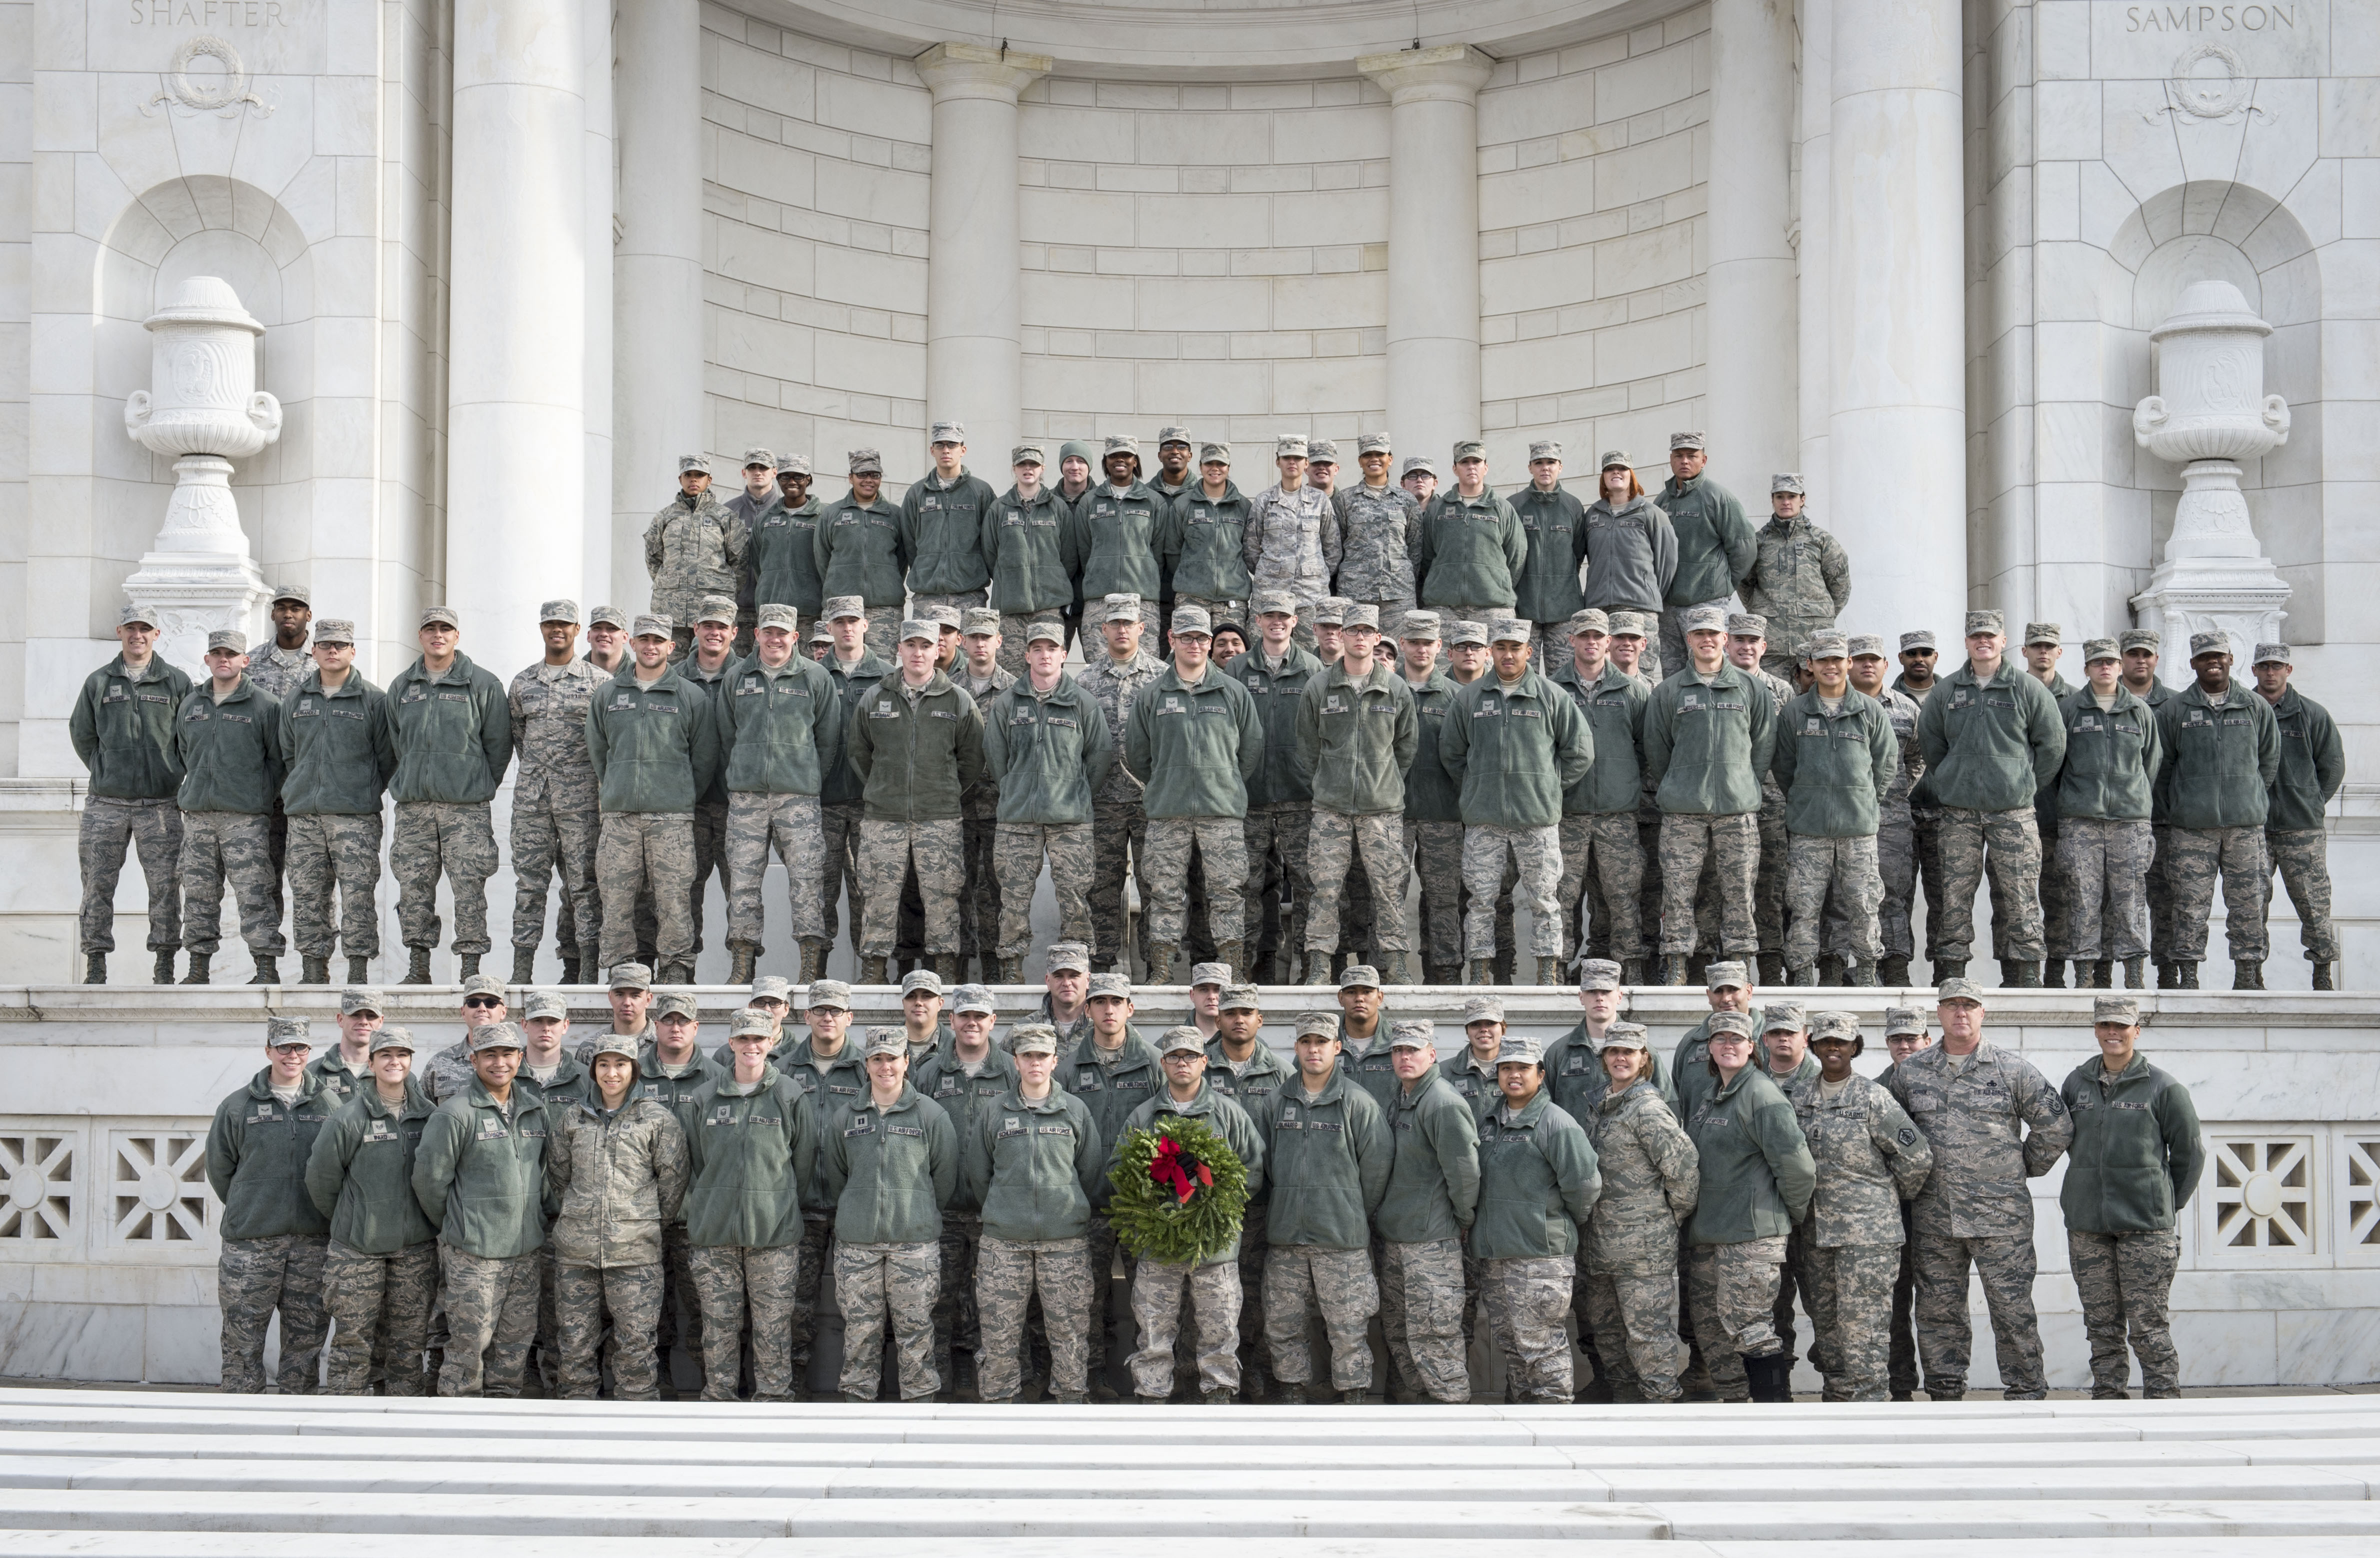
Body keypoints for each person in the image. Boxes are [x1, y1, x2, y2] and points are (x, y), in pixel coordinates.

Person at [1886, 978, 2071, 1400]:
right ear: (1939, 1014)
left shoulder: (2012, 1069)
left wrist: (2018, 1168)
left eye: (1969, 1005)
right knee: (1937, 1312)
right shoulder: (1912, 1073)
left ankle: (2026, 1391)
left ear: (1983, 1013)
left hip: (2000, 1217)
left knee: (2012, 1310)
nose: (1960, 1013)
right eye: (1952, 1006)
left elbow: (2056, 1125)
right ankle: (1945, 1392)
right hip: (1935, 1218)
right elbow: (1895, 1135)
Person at [2060, 994, 2206, 1400]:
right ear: (2096, 1030)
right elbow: (2066, 1141)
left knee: (2148, 1323)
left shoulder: (2163, 1087)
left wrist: (2163, 1201)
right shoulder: (2077, 1083)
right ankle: (2108, 1397)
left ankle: (2163, 1398)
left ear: (2136, 1032)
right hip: (2089, 1227)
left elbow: (2190, 1154)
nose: (2113, 1034)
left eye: (2121, 1027)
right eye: (2105, 1026)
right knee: (2101, 1323)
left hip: (2146, 1230)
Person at [1111, 1026, 1268, 1404]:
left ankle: (1219, 1394)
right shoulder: (1144, 1115)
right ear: (1163, 1063)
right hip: (1158, 1245)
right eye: (1175, 1057)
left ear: (1205, 1062)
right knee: (1153, 1331)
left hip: (1214, 1247)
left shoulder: (1228, 1115)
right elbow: (1120, 1170)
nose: (1183, 1063)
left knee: (1219, 1328)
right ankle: (1152, 1395)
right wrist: (1156, 1202)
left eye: (1191, 1057)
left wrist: (1208, 1206)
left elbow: (1253, 1170)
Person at [1914, 610, 2066, 985]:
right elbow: (1932, 746)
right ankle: (1950, 975)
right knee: (1954, 898)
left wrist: (2024, 785)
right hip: (1959, 815)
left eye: (1990, 636)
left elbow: (2053, 744)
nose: (1983, 642)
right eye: (1976, 636)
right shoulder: (1946, 691)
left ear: (2003, 642)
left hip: (2013, 813)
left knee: (2021, 897)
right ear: (1967, 643)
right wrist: (1953, 780)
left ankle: (2025, 975)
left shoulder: (2027, 689)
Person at [1441, 617, 1595, 986]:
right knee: (1481, 900)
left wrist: (1548, 789)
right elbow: (1452, 754)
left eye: (1515, 648)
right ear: (1490, 652)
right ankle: (1479, 971)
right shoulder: (1470, 697)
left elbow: (1580, 752)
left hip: (1537, 819)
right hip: (1484, 819)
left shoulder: (1551, 695)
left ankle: (1548, 972)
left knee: (1545, 899)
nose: (1508, 655)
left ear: (1529, 651)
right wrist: (1479, 789)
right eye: (1501, 648)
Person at [1791, 1011, 1932, 1402]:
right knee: (1827, 1323)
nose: (1833, 1048)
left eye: (1841, 1042)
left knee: (1864, 1326)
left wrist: (1884, 1201)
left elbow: (1917, 1157)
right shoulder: (1800, 1099)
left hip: (1868, 1237)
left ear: (1855, 1047)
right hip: (1816, 1233)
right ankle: (1838, 1398)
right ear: (1814, 1046)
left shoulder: (1872, 1096)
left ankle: (1871, 1403)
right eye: (1825, 1041)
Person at [680, 1009, 818, 1402]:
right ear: (732, 1043)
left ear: (771, 1043)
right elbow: (695, 1161)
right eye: (744, 1039)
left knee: (773, 1326)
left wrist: (775, 1204)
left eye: (759, 1039)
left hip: (773, 1235)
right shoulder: (705, 1097)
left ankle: (773, 1400)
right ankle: (720, 1398)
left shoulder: (789, 1095)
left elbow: (802, 1163)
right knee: (719, 1326)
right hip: (715, 1235)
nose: (752, 1046)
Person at [962, 1022, 1104, 1404]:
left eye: (1042, 1056)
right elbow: (980, 1174)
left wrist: (1067, 1209)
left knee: (1070, 1331)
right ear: (1016, 1062)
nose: (1035, 1063)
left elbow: (1089, 1173)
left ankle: (1071, 1401)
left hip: (1065, 1243)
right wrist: (1005, 1209)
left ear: (1055, 1061)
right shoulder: (996, 1111)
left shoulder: (1075, 1110)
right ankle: (998, 1403)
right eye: (1027, 1056)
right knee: (999, 1332)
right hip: (1004, 1244)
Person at [545, 1032, 691, 1401]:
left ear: (635, 1070)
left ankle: (636, 1421)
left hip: (635, 1253)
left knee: (636, 1345)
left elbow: (673, 1181)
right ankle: (577, 1420)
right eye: (604, 1065)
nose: (612, 1073)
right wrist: (582, 1217)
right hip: (576, 1253)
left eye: (621, 1064)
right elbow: (559, 1177)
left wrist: (644, 1223)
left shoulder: (656, 1119)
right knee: (575, 1344)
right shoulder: (572, 1118)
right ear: (593, 1070)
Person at [818, 1026, 960, 1402]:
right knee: (861, 1331)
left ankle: (918, 1406)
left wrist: (918, 1213)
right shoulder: (845, 1117)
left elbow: (943, 1179)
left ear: (906, 1062)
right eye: (877, 1059)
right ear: (867, 1064)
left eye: (892, 1059)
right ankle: (859, 1405)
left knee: (915, 1331)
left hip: (913, 1245)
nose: (885, 1067)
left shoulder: (931, 1115)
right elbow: (838, 1176)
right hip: (858, 1244)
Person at [1124, 604, 1263, 982]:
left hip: (1222, 811)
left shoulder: (1233, 693)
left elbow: (1249, 750)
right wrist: (1167, 781)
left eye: (1202, 638)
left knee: (1228, 892)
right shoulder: (1152, 695)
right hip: (1168, 811)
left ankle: (1232, 970)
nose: (1195, 645)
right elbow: (1138, 754)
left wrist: (1225, 782)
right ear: (1172, 640)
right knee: (1165, 893)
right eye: (1186, 637)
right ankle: (1164, 970)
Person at [412, 1020, 552, 1396]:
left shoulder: (535, 1111)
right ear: (474, 1060)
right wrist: (460, 1226)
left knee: (513, 1350)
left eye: (507, 1054)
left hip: (525, 1253)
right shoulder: (456, 1113)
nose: (499, 1063)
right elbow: (430, 1181)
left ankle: (501, 1435)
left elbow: (546, 1175)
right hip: (474, 1255)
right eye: (489, 1055)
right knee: (468, 1351)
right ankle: (458, 1434)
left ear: (520, 1059)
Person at [1258, 1010, 1392, 1404]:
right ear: (1296, 1048)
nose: (1313, 1050)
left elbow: (1377, 1169)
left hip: (1341, 1241)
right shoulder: (1274, 1102)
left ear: (1337, 1047)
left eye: (1321, 1042)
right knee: (1283, 1325)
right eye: (1306, 1043)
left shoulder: (1358, 1102)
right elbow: (1267, 1163)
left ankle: (1353, 1396)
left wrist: (1347, 1210)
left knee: (1348, 1327)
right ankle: (1292, 1392)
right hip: (1286, 1239)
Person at [1681, 1009, 1814, 1402]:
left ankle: (1772, 1411)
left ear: (1752, 1047)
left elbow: (1798, 1168)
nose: (1727, 1045)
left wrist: (1788, 1215)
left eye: (1736, 1039)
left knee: (1749, 1326)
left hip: (1751, 1235)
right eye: (1720, 1039)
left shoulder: (1761, 1095)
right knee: (1713, 1331)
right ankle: (1736, 1408)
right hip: (1710, 1233)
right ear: (1709, 1047)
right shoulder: (1711, 1095)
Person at [846, 618, 986, 986]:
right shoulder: (875, 697)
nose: (918, 652)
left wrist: (941, 789)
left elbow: (972, 758)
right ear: (899, 649)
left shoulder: (958, 699)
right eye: (911, 645)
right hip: (883, 818)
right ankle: (874, 974)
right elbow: (860, 754)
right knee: (877, 898)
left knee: (942, 899)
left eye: (926, 645)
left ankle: (943, 974)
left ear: (936, 649)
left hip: (938, 818)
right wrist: (884, 787)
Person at [1644, 604, 1776, 985]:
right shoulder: (1669, 691)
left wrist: (1743, 782)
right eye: (1699, 634)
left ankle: (1738, 965)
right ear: (1689, 640)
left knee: (1739, 889)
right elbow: (1657, 748)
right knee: (1679, 891)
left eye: (1713, 634)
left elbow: (1763, 744)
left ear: (1725, 640)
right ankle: (1678, 965)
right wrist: (1682, 781)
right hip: (1684, 809)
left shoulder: (1751, 688)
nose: (1707, 640)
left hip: (1737, 809)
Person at [585, 614, 721, 985]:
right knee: (616, 897)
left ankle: (676, 968)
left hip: (672, 818)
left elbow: (704, 757)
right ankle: (621, 969)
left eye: (658, 640)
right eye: (644, 639)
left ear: (671, 647)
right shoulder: (608, 695)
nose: (650, 646)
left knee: (674, 897)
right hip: (620, 816)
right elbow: (600, 752)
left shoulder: (689, 696)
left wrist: (676, 792)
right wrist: (618, 785)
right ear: (633, 643)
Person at [712, 602, 843, 984]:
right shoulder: (738, 677)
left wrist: (806, 777)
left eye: (782, 633)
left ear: (795, 637)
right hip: (747, 799)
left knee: (807, 882)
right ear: (757, 635)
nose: (775, 639)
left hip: (798, 799)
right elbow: (726, 737)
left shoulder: (815, 677)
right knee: (743, 883)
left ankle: (809, 968)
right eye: (768, 632)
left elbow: (828, 740)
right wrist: (742, 775)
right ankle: (742, 966)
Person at [305, 1023, 438, 1396]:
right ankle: (343, 1427)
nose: (394, 1062)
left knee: (408, 1344)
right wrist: (354, 1218)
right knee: (353, 1343)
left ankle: (402, 1426)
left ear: (411, 1061)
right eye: (386, 1055)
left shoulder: (429, 1118)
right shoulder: (348, 1118)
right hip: (357, 1251)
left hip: (414, 1251)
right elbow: (321, 1180)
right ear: (373, 1062)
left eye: (402, 1055)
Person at [975, 620, 1111, 982]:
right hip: (1018, 818)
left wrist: (1076, 792)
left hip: (1071, 818)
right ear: (1027, 655)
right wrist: (1017, 788)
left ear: (1064, 655)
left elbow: (1098, 756)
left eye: (1052, 648)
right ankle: (1011, 969)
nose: (1045, 655)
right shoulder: (1008, 702)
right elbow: (995, 756)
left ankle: (1076, 971)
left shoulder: (1082, 702)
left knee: (1075, 897)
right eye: (1037, 649)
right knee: (1013, 899)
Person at [1472, 1034, 1603, 1404]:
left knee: (1542, 1349)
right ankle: (1528, 1429)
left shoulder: (1555, 1123)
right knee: (1513, 1348)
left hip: (1540, 1258)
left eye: (1523, 1068)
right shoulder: (1489, 1121)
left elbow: (1585, 1185)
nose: (1514, 1075)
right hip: (1497, 1256)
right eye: (1506, 1068)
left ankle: (1556, 1425)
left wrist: (1553, 1219)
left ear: (1541, 1074)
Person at [206, 1016, 334, 1392]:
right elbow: (220, 1169)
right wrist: (254, 1206)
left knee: (305, 1343)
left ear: (309, 1053)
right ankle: (240, 1424)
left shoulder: (330, 1103)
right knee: (242, 1340)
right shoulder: (237, 1106)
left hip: (312, 1244)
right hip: (251, 1244)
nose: (293, 1055)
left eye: (301, 1048)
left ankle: (296, 1425)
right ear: (269, 1051)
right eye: (284, 1048)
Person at [1293, 603, 1418, 984]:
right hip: (1330, 808)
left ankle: (1396, 962)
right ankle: (1319, 962)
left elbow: (1406, 747)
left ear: (1377, 638)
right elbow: (1306, 747)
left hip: (1381, 810)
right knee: (1325, 889)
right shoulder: (1319, 686)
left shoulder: (1395, 688)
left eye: (1368, 631)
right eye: (1353, 631)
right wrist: (1327, 783)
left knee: (1388, 889)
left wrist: (1383, 782)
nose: (1360, 637)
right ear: (1342, 636)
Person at [387, 606, 512, 984]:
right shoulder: (402, 687)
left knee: (470, 888)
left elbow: (499, 745)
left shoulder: (483, 684)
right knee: (413, 888)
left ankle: (470, 969)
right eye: (430, 629)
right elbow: (396, 743)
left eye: (446, 629)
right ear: (420, 636)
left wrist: (474, 783)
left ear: (457, 636)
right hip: (415, 809)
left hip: (466, 810)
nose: (437, 635)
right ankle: (418, 966)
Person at [1575, 1022, 1698, 1404]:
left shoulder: (1647, 1108)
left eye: (1630, 1052)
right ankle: (1626, 1410)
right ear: (1604, 1058)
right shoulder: (1601, 1104)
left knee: (1648, 1339)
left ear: (1644, 1059)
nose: (1621, 1058)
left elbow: (1685, 1171)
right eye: (1614, 1052)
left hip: (1643, 1250)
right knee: (1610, 1337)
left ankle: (1661, 1414)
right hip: (1601, 1246)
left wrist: (1663, 1219)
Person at [71, 602, 192, 986]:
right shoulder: (99, 682)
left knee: (166, 888)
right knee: (96, 887)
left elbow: (190, 737)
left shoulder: (176, 681)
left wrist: (172, 772)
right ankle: (95, 964)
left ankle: (165, 964)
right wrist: (106, 769)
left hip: (161, 804)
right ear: (119, 632)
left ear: (157, 635)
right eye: (130, 628)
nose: (137, 635)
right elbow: (82, 733)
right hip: (106, 804)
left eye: (145, 629)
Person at [2154, 632, 2281, 990]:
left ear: (2230, 660)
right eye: (2205, 657)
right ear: (2193, 663)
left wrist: (2249, 797)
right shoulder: (2175, 710)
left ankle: (2248, 975)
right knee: (2189, 905)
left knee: (2249, 905)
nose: (2213, 662)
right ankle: (2188, 975)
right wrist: (2183, 806)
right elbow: (2163, 769)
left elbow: (2268, 762)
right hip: (2191, 829)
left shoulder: (2255, 708)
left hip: (2245, 828)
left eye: (2219, 656)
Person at [1770, 630, 1898, 986]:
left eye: (1837, 660)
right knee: (1803, 906)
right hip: (1809, 830)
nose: (1831, 667)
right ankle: (1801, 974)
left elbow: (1886, 765)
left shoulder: (1870, 711)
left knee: (1864, 904)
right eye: (1823, 660)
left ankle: (1868, 972)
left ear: (1849, 664)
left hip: (1858, 830)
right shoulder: (1795, 712)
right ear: (1810, 665)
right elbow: (1784, 767)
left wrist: (1864, 801)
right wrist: (1805, 800)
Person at [272, 616, 392, 986]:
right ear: (314, 650)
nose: (333, 651)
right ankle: (313, 969)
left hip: (354, 816)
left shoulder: (373, 699)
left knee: (358, 896)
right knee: (309, 895)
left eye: (340, 645)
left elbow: (387, 756)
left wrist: (360, 789)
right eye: (325, 645)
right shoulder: (296, 699)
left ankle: (358, 969)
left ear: (353, 652)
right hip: (305, 816)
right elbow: (289, 753)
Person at [912, 984, 1020, 1398]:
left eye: (981, 1016)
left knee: (999, 1304)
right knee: (937, 1301)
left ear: (993, 1022)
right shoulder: (928, 1073)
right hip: (945, 1211)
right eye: (964, 1016)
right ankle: (941, 1379)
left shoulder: (1012, 1070)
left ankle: (997, 1383)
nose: (972, 1023)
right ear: (951, 1021)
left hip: (998, 1211)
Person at [1370, 1018, 1478, 1404]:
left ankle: (1453, 1417)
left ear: (1432, 1055)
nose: (1404, 1057)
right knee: (1401, 1335)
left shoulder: (1443, 1103)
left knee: (1436, 1339)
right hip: (1399, 1238)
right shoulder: (1400, 1097)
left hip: (1433, 1243)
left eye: (1413, 1050)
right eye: (1398, 1050)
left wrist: (1462, 1221)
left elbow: (1464, 1175)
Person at [1062, 972, 1160, 1397]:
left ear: (1130, 1009)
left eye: (1116, 1002)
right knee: (1087, 1299)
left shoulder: (1155, 1062)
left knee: (1151, 1299)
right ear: (1088, 1009)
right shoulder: (1068, 1068)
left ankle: (1151, 1383)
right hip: (1087, 1205)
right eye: (1099, 1002)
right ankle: (1094, 1379)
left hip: (1142, 1208)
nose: (1108, 1010)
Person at [174, 628, 288, 985]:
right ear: (207, 660)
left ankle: (265, 967)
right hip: (199, 818)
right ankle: (198, 967)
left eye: (231, 654)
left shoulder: (266, 705)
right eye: (217, 653)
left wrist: (257, 795)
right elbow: (183, 752)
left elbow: (279, 761)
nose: (224, 659)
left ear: (245, 661)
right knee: (198, 894)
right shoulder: (191, 705)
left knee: (255, 892)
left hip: (246, 819)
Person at [2051, 637, 2163, 990]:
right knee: (2083, 898)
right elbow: (2055, 765)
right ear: (2086, 669)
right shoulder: (2069, 709)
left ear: (2119, 667)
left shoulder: (2140, 713)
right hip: (2081, 821)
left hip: (2129, 822)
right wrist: (2075, 801)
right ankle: (2084, 973)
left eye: (2111, 662)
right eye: (2098, 663)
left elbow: (2152, 764)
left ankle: (2133, 974)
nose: (2105, 668)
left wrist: (2132, 798)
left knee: (2130, 899)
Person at [506, 600, 608, 984]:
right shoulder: (523, 682)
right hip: (533, 803)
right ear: (542, 628)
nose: (557, 631)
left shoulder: (599, 683)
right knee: (529, 887)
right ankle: (521, 973)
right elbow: (519, 737)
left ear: (578, 629)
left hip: (582, 804)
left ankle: (587, 973)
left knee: (584, 886)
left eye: (564, 624)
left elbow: (604, 742)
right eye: (550, 624)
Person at [1550, 608, 1654, 978]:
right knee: (1561, 897)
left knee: (1623, 897)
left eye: (1598, 636)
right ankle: (1556, 967)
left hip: (1617, 815)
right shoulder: (1552, 689)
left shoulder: (1633, 691)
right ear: (1571, 640)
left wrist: (1624, 780)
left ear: (1608, 642)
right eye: (1584, 636)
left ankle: (1632, 968)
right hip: (1567, 814)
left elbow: (1648, 747)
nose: (1591, 642)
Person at [1231, 591, 1326, 982]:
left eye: (1283, 616)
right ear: (1257, 621)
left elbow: (1324, 734)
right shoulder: (1236, 671)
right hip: (1250, 798)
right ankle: (1252, 965)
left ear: (1295, 621)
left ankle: (1309, 967)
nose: (1277, 622)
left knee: (1308, 884)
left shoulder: (1314, 671)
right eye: (1269, 615)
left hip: (1299, 796)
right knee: (1248, 885)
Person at [1078, 594, 1170, 974]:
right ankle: (1101, 965)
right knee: (1101, 887)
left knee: (1155, 886)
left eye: (1128, 623)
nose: (1121, 630)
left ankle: (1154, 966)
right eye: (1114, 623)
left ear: (1142, 629)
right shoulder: (1084, 680)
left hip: (1151, 801)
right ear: (1103, 630)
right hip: (1103, 801)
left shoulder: (1163, 676)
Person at [2254, 644, 2344, 989]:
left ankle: (2322, 972)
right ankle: (2251, 973)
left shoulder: (2311, 714)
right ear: (2254, 671)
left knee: (2313, 904)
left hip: (2301, 829)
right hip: (2254, 828)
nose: (2270, 672)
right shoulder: (2246, 711)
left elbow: (2333, 765)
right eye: (2264, 666)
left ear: (2288, 671)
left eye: (2277, 666)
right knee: (2252, 905)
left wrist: (2312, 802)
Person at [1847, 634, 1928, 985]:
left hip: (1891, 820)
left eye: (1874, 659)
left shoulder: (1906, 709)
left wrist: (1893, 794)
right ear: (1849, 664)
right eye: (1860, 659)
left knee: (1894, 896)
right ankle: (1843, 968)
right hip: (1843, 819)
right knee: (1842, 898)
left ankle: (1895, 968)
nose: (1868, 664)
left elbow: (1917, 758)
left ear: (1886, 665)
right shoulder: (1831, 704)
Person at [1395, 612, 1470, 984]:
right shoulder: (1386, 689)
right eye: (1415, 642)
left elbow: (1466, 757)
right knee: (1389, 896)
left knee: (1444, 899)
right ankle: (1390, 969)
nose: (1421, 649)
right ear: (1402, 645)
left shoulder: (1458, 697)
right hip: (1392, 814)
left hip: (1444, 813)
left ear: (1440, 647)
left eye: (1429, 643)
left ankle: (1445, 972)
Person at [1653, 431, 1756, 684]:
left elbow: (1745, 549)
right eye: (1679, 456)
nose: (1685, 461)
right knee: (1674, 678)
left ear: (1704, 460)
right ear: (1671, 459)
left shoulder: (1719, 498)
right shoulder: (1662, 501)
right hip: (1669, 607)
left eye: (1692, 456)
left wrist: (1722, 584)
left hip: (1707, 605)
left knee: (1711, 675)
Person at [1577, 452, 1676, 684]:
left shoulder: (1651, 514)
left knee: (1641, 677)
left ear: (1631, 475)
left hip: (1639, 610)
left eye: (1622, 468)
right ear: (1603, 477)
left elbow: (1667, 562)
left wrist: (1645, 591)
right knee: (1602, 678)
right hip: (1601, 611)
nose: (1616, 473)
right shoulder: (1592, 515)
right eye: (1610, 469)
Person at [1877, 1006, 1934, 1399]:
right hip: (1892, 1216)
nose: (1905, 1045)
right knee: (1894, 1307)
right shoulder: (1875, 1090)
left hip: (1940, 1216)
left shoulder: (1942, 1083)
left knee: (1937, 1308)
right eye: (1897, 1039)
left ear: (1927, 1041)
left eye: (1912, 1038)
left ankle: (1944, 1388)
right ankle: (1899, 1386)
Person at [1742, 474, 1850, 678]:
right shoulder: (1758, 542)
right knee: (1773, 700)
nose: (1786, 502)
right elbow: (1746, 584)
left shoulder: (1821, 540)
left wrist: (1819, 614)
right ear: (1772, 500)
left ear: (1802, 499)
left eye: (1792, 496)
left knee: (1814, 700)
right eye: (1780, 496)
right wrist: (1764, 611)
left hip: (1813, 643)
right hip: (1772, 645)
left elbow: (1840, 584)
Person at [984, 444, 1076, 679]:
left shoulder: (1058, 508)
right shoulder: (999, 509)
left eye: (1033, 464)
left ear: (1042, 468)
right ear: (1014, 468)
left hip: (1049, 609)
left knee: (1049, 674)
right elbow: (991, 554)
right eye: (1022, 464)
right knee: (1011, 676)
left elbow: (1069, 557)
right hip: (1011, 610)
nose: (1028, 469)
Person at [1242, 434, 1339, 650]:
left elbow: (1332, 549)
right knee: (1262, 652)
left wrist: (1314, 574)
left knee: (1313, 655)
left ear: (1306, 464)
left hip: (1310, 597)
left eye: (1298, 458)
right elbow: (1251, 548)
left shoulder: (1319, 501)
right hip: (1270, 595)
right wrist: (1272, 572)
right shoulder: (1264, 501)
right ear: (1278, 461)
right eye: (1287, 458)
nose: (1292, 462)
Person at [1414, 440, 1525, 628]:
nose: (1471, 467)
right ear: (1455, 469)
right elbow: (1427, 557)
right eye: (1465, 462)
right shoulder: (1437, 510)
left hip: (1493, 608)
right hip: (1444, 608)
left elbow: (1517, 557)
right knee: (1441, 659)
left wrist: (1494, 584)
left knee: (1494, 660)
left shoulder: (1502, 509)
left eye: (1477, 462)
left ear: (1486, 468)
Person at [644, 455, 746, 660]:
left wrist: (718, 586)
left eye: (699, 475)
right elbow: (654, 559)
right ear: (680, 479)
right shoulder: (665, 517)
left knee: (713, 664)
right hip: (672, 609)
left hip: (712, 611)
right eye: (688, 475)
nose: (693, 480)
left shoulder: (725, 517)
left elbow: (740, 562)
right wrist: (674, 586)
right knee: (671, 666)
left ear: (709, 480)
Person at [816, 449, 910, 660]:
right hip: (841, 610)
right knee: (837, 667)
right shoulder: (832, 513)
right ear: (851, 478)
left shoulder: (894, 514)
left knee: (881, 669)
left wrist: (885, 583)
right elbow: (823, 559)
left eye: (875, 475)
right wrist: (841, 584)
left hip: (884, 611)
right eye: (862, 475)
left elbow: (901, 559)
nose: (869, 480)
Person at [1066, 436, 1166, 632]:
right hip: (1099, 600)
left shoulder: (1154, 501)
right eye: (1114, 456)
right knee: (1099, 662)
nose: (1120, 460)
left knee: (1144, 662)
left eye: (1126, 456)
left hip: (1142, 599)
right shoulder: (1089, 502)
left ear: (1135, 461)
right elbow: (1085, 551)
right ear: (1106, 462)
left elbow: (1160, 551)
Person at [902, 420, 997, 622]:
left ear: (963, 450)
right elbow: (910, 542)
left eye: (952, 445)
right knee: (926, 653)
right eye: (940, 445)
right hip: (927, 597)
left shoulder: (981, 492)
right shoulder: (917, 493)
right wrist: (927, 568)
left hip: (969, 595)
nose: (946, 450)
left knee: (969, 653)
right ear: (932, 450)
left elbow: (991, 543)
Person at [1334, 432, 1420, 641]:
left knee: (1399, 652)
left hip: (1398, 594)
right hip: (1356, 593)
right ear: (1360, 461)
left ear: (1390, 459)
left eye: (1380, 454)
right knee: (1356, 650)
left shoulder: (1406, 500)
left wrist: (1401, 575)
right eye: (1368, 455)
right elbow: (1337, 546)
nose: (1374, 459)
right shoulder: (1345, 499)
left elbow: (1416, 547)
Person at [1160, 440, 1252, 632]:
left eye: (1221, 464)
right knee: (1191, 654)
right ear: (1201, 467)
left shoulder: (1243, 506)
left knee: (1229, 657)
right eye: (1209, 464)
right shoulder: (1183, 505)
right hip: (1191, 598)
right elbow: (1173, 551)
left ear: (1228, 468)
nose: (1215, 469)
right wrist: (1194, 577)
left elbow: (1249, 552)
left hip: (1232, 599)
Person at [1511, 440, 1588, 664]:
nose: (1545, 468)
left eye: (1551, 463)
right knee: (1522, 675)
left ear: (1560, 467)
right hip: (1524, 611)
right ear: (1530, 468)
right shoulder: (1515, 505)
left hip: (1564, 611)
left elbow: (1578, 553)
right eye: (1539, 463)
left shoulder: (1573, 506)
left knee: (1564, 679)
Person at [748, 454, 827, 652]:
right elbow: (759, 563)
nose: (792, 482)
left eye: (798, 477)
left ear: (808, 480)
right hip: (771, 613)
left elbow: (830, 563)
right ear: (778, 480)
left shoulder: (825, 516)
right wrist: (770, 588)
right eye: (786, 477)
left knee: (810, 672)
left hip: (810, 613)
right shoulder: (765, 519)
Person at [306, 985, 386, 1108]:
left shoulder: (394, 1074)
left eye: (371, 1016)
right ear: (340, 1019)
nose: (364, 1022)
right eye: (356, 1014)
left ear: (380, 1022)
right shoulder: (313, 1074)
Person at [1034, 943, 1094, 1049]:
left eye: (1074, 976)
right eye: (1059, 976)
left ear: (1088, 980)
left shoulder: (1105, 1026)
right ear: (1048, 981)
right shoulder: (1027, 1028)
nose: (1067, 983)